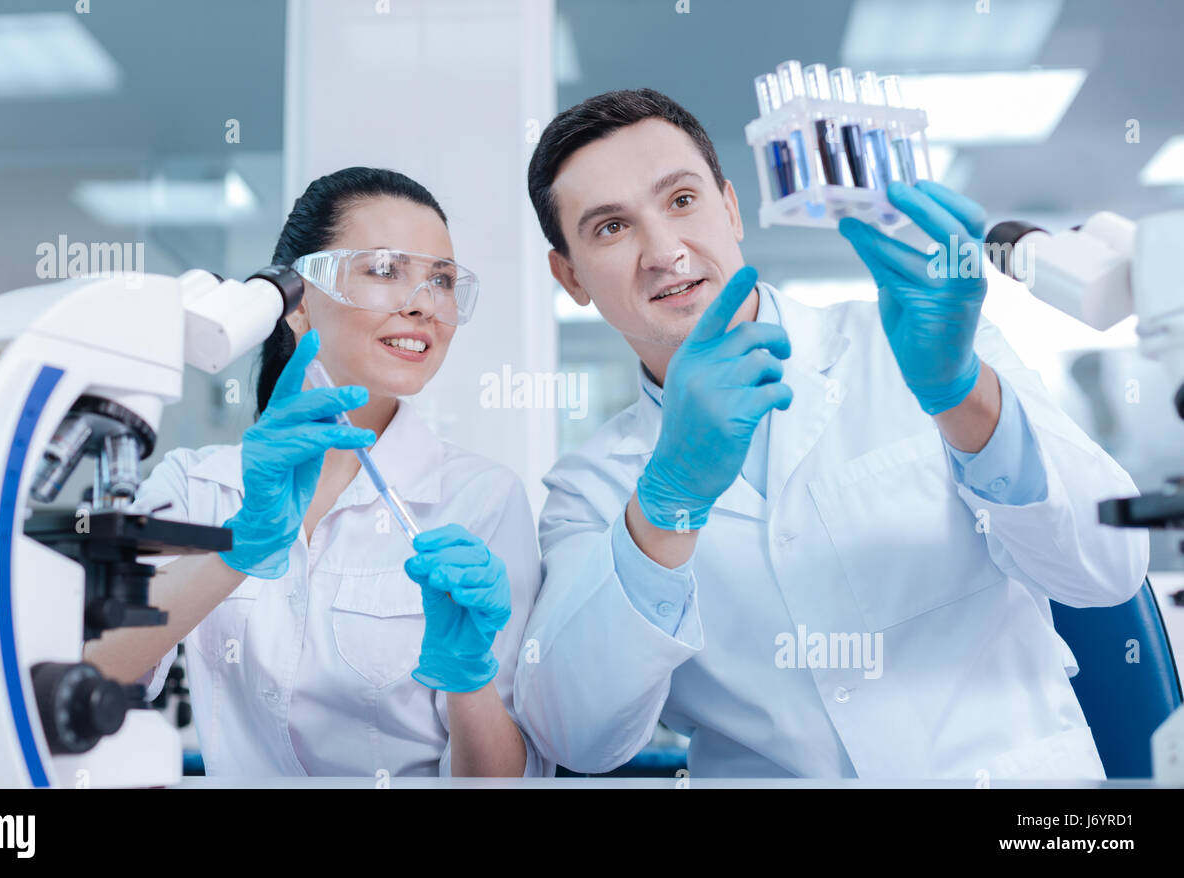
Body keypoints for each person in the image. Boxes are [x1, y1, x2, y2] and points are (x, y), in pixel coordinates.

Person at [513, 89, 1149, 778]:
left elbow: (1107, 570)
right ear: (569, 275)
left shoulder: (908, 341)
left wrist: (963, 396)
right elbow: (576, 738)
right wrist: (666, 501)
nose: (665, 251)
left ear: (730, 206)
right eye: (611, 227)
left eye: (682, 200)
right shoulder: (592, 487)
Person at [85, 167, 550, 778]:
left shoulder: (480, 499)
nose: (423, 305)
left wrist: (467, 680)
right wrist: (237, 549)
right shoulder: (196, 487)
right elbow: (89, 673)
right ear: (296, 304)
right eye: (385, 270)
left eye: (440, 280)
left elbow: (503, 782)